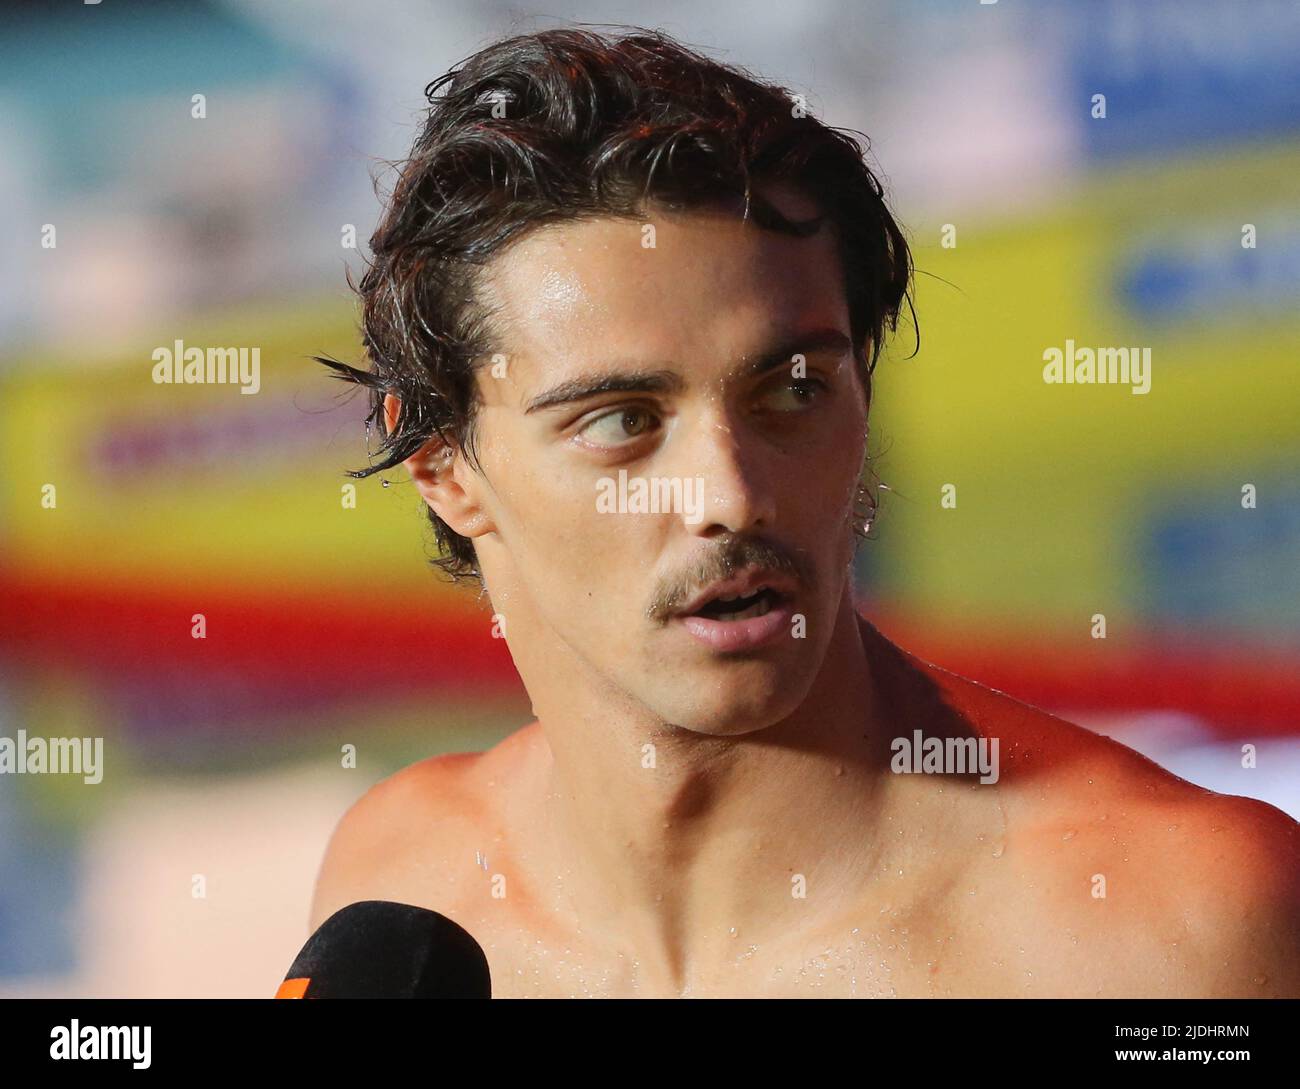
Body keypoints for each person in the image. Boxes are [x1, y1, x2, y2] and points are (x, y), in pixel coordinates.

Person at [309, 27, 1299, 997]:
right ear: (445, 468)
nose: (732, 496)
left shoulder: (1175, 929)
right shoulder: (406, 895)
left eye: (790, 392)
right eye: (621, 421)